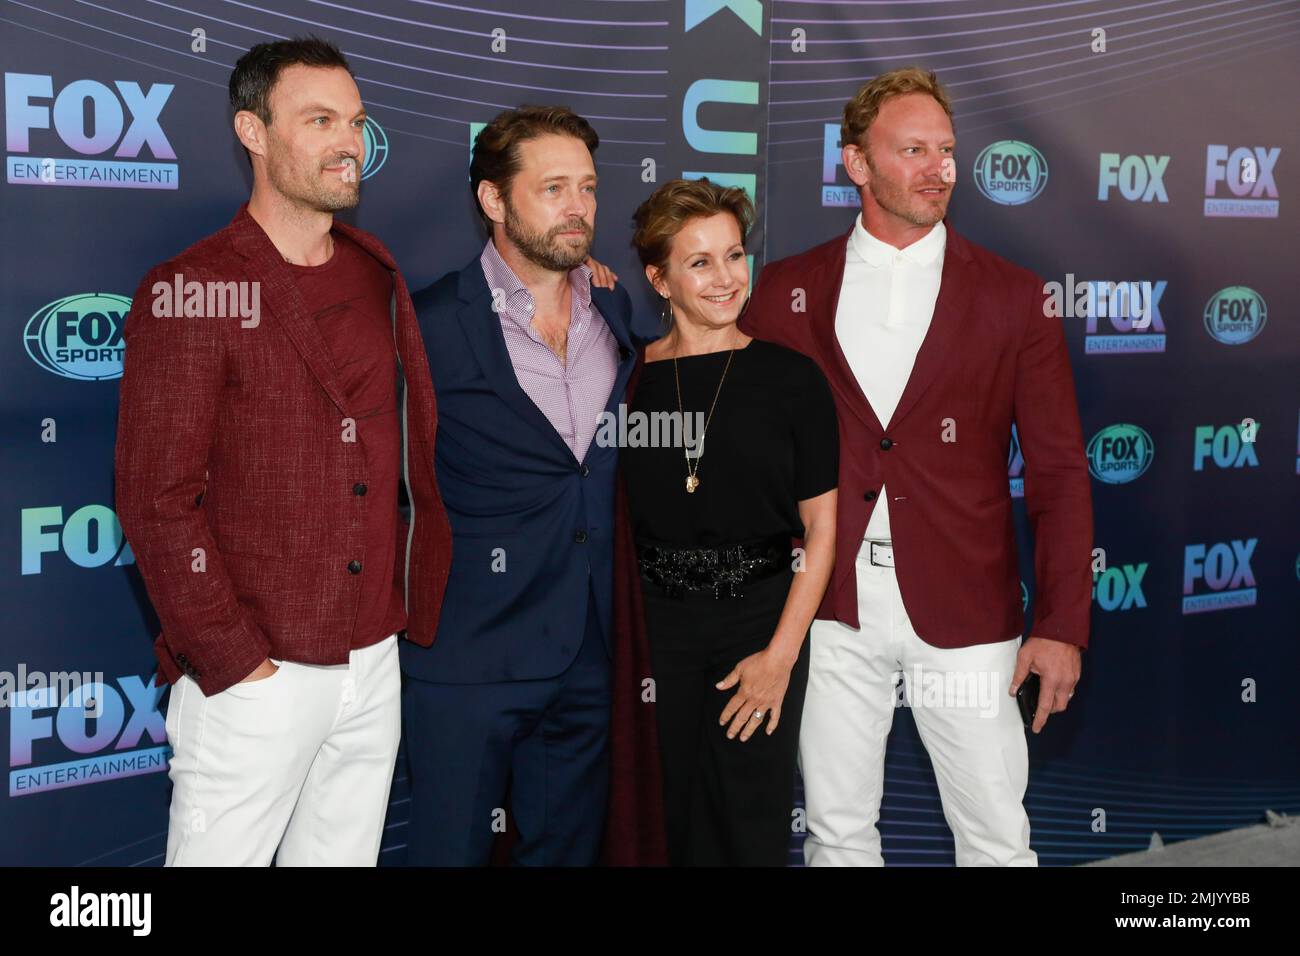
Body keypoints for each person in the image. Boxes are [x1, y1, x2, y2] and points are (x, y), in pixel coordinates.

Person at [739, 67, 1094, 866]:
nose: (940, 168)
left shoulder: (1014, 297)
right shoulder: (786, 292)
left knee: (997, 840)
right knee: (835, 832)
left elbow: (1060, 474)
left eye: (947, 150)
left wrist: (1062, 625)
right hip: (830, 608)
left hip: (967, 615)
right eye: (913, 150)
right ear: (856, 163)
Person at [114, 36, 452, 866]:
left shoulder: (376, 272)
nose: (349, 141)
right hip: (257, 673)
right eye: (320, 119)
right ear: (253, 132)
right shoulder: (190, 287)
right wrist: (235, 662)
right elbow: (155, 500)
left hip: (374, 661)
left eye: (356, 121)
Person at [401, 105, 644, 865]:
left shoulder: (616, 307)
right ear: (493, 200)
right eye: (553, 188)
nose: (578, 207)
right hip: (467, 656)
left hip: (587, 650)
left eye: (588, 188)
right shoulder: (430, 320)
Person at [622, 178, 839, 866]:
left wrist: (780, 657)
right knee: (662, 822)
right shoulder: (626, 379)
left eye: (735, 255)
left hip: (760, 623)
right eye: (700, 261)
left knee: (750, 823)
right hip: (652, 634)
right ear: (659, 279)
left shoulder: (792, 378)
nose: (726, 278)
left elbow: (823, 530)